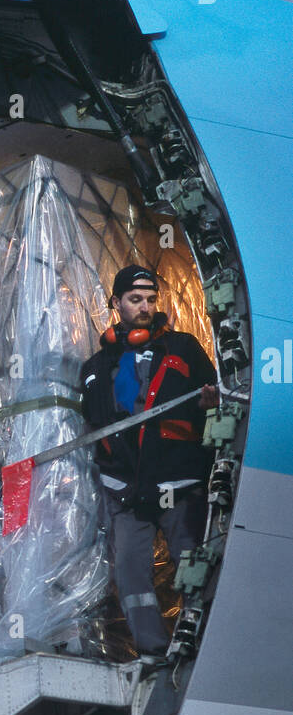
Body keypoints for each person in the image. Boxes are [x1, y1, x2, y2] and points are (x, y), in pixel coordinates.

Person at [81, 265, 219, 659]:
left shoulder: (183, 347)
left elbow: (215, 399)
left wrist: (209, 405)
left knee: (192, 562)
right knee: (129, 571)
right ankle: (153, 652)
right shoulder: (95, 368)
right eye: (135, 299)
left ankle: (204, 643)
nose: (144, 307)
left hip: (176, 480)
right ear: (116, 304)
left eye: (150, 299)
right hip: (124, 489)